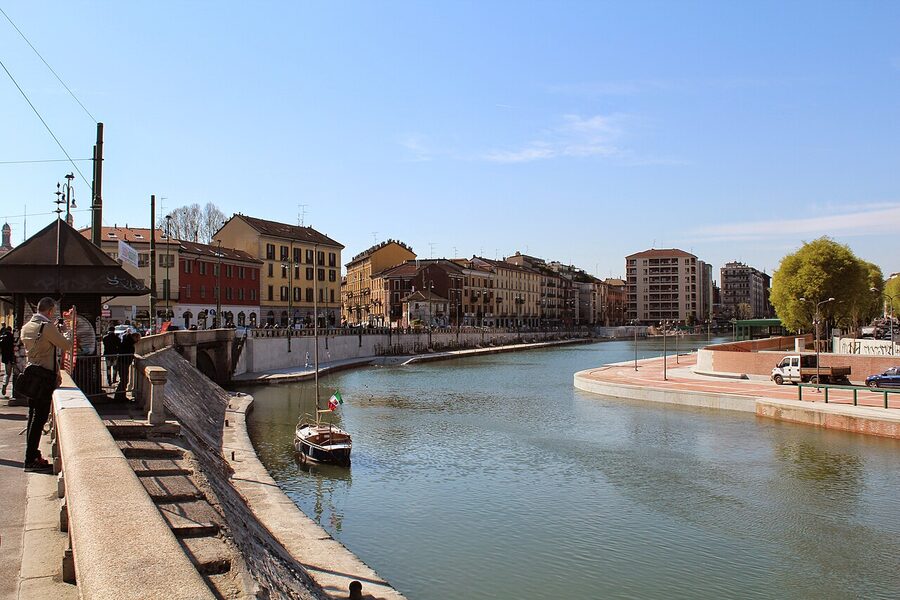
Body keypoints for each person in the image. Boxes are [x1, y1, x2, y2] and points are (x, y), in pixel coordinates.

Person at [20, 297, 73, 472]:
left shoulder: (26, 327)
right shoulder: (47, 327)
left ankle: (32, 455)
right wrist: (65, 331)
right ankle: (30, 460)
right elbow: (66, 345)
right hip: (44, 377)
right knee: (39, 418)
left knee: (32, 416)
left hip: (31, 375)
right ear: (50, 311)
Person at [115, 330, 140, 401]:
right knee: (123, 380)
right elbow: (127, 351)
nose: (138, 341)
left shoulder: (127, 341)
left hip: (123, 362)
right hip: (123, 363)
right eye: (138, 339)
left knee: (123, 380)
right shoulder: (129, 343)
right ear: (134, 337)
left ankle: (120, 396)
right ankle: (119, 397)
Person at [1, 325, 18, 397]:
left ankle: (4, 384)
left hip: (6, 358)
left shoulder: (2, 337)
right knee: (16, 374)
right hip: (14, 357)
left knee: (7, 373)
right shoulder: (13, 337)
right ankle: (15, 391)